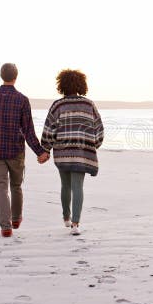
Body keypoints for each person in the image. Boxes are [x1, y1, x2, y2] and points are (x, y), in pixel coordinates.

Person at [0, 63, 50, 237]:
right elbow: (28, 130)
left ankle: (6, 227)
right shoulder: (22, 100)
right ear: (16, 76)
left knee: (1, 188)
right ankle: (16, 218)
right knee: (16, 185)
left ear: (1, 75)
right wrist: (40, 152)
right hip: (15, 151)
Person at [40, 69, 104, 236]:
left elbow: (49, 129)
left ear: (62, 85)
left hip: (62, 152)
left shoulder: (57, 105)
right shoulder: (89, 105)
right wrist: (92, 145)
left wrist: (45, 149)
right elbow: (99, 129)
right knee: (78, 187)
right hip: (82, 153)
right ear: (81, 85)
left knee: (65, 185)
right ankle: (76, 225)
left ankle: (66, 218)